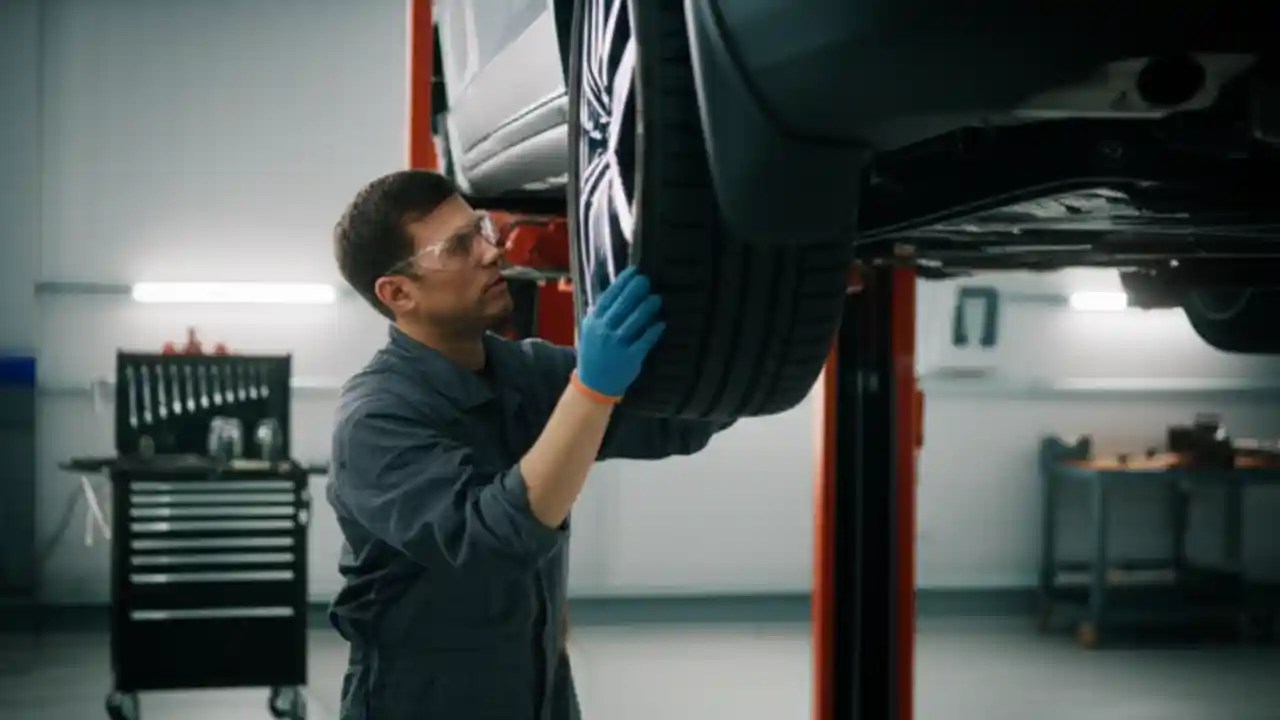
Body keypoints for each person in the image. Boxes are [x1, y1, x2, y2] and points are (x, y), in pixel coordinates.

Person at [326, 169, 733, 720]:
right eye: (459, 247)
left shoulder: (525, 373)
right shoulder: (376, 419)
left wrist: (756, 322)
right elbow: (497, 539)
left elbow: (676, 422)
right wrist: (590, 391)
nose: (492, 253)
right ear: (398, 293)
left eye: (483, 230)